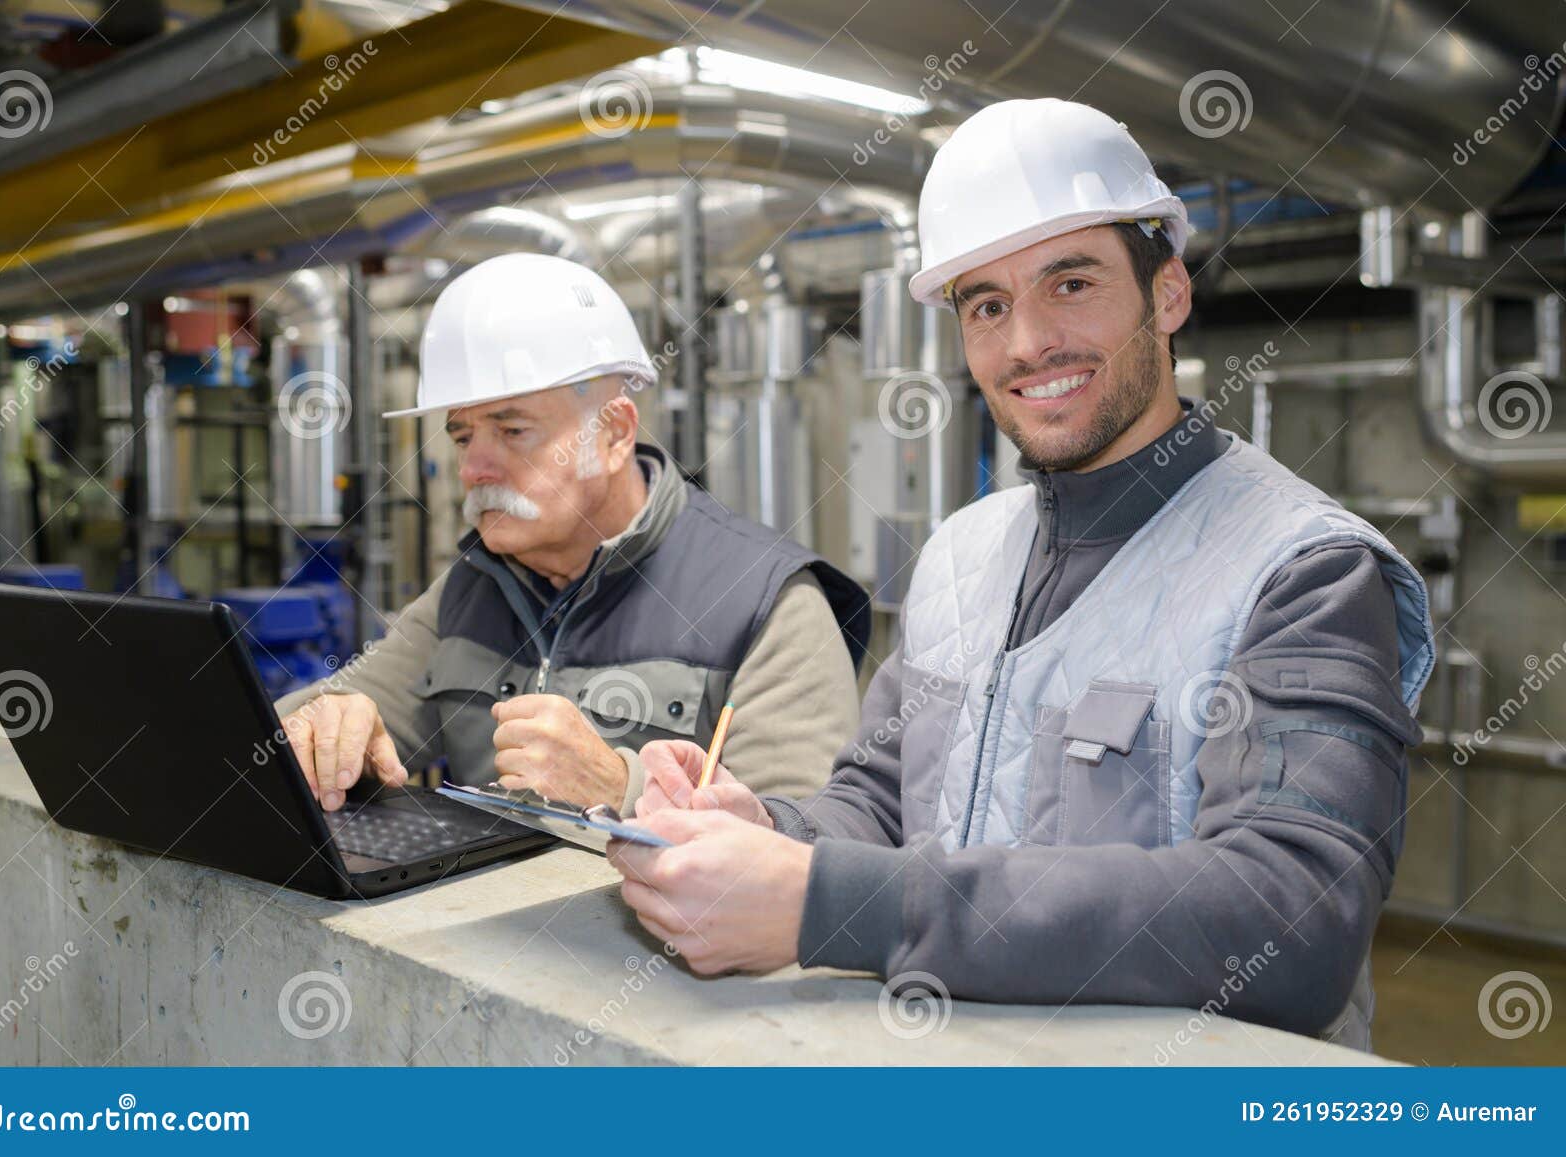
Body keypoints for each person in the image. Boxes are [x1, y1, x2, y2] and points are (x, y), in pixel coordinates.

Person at [608, 99, 1435, 1051]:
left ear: (1168, 293)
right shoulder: (961, 556)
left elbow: (1292, 915)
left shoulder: (1302, 571)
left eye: (1070, 282)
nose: (1027, 343)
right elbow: (880, 799)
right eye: (987, 306)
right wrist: (767, 828)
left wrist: (831, 902)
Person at [273, 253, 869, 818]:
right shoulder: (470, 590)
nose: (474, 468)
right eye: (463, 437)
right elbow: (308, 721)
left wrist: (622, 788)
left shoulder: (765, 602)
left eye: (512, 431)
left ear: (614, 435)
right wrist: (323, 725)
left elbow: (800, 839)